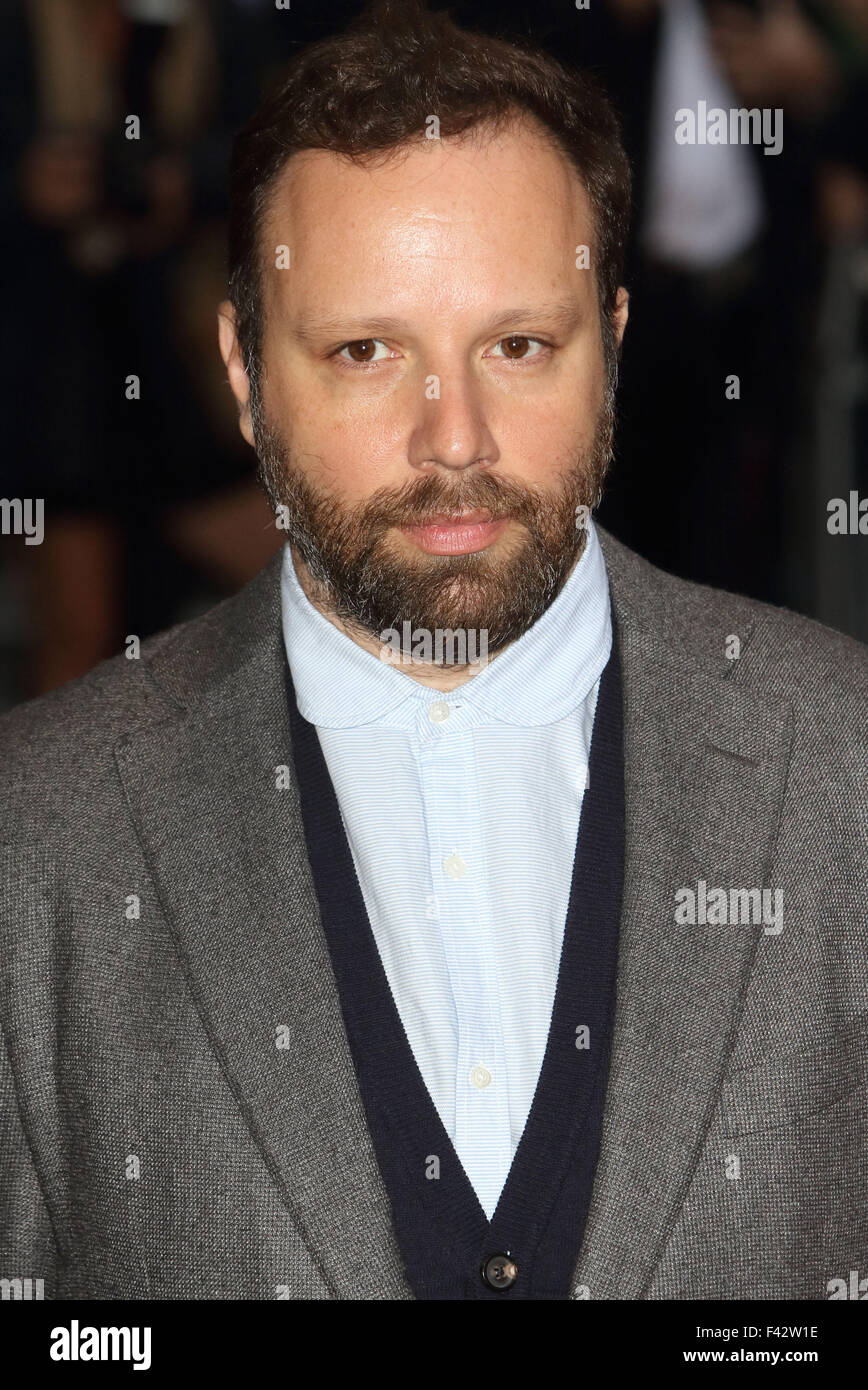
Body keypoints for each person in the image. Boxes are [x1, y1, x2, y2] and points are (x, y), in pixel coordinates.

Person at [1, 0, 865, 1301]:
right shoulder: (40, 831)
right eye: (366, 352)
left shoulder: (843, 764)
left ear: (613, 347)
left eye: (518, 346)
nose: (452, 438)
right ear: (244, 370)